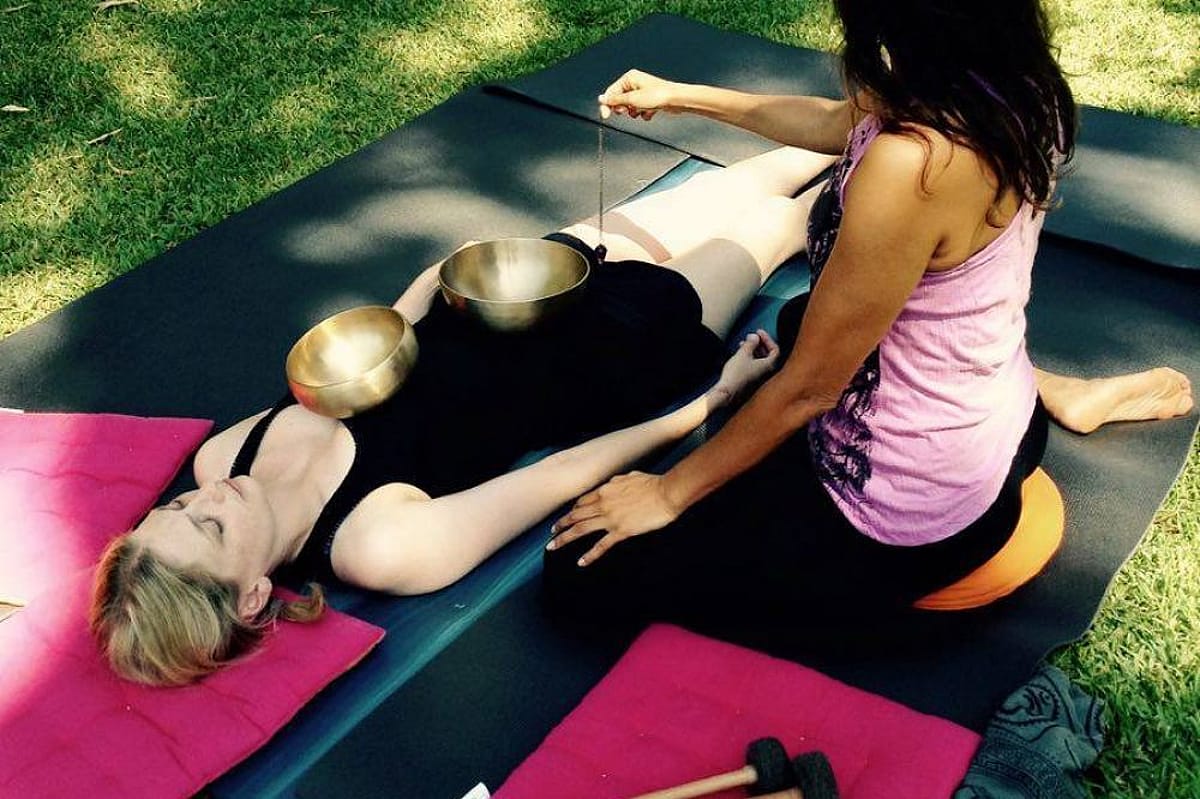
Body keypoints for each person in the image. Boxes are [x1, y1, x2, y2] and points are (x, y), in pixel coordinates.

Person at [543, 0, 1194, 633]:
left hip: (911, 515)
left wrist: (666, 493)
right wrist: (681, 96)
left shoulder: (913, 163)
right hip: (1003, 428)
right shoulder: (1002, 81)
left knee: (580, 573)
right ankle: (1053, 389)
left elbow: (810, 389)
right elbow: (837, 121)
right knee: (803, 317)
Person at [89, 146, 838, 685]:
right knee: (792, 218)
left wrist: (429, 285)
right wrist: (712, 401)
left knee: (754, 174)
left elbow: (371, 356)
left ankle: (876, 111)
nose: (209, 497)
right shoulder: (378, 545)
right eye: (212, 528)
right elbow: (563, 473)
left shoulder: (223, 457)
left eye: (180, 506)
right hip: (613, 348)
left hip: (513, 285)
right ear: (253, 595)